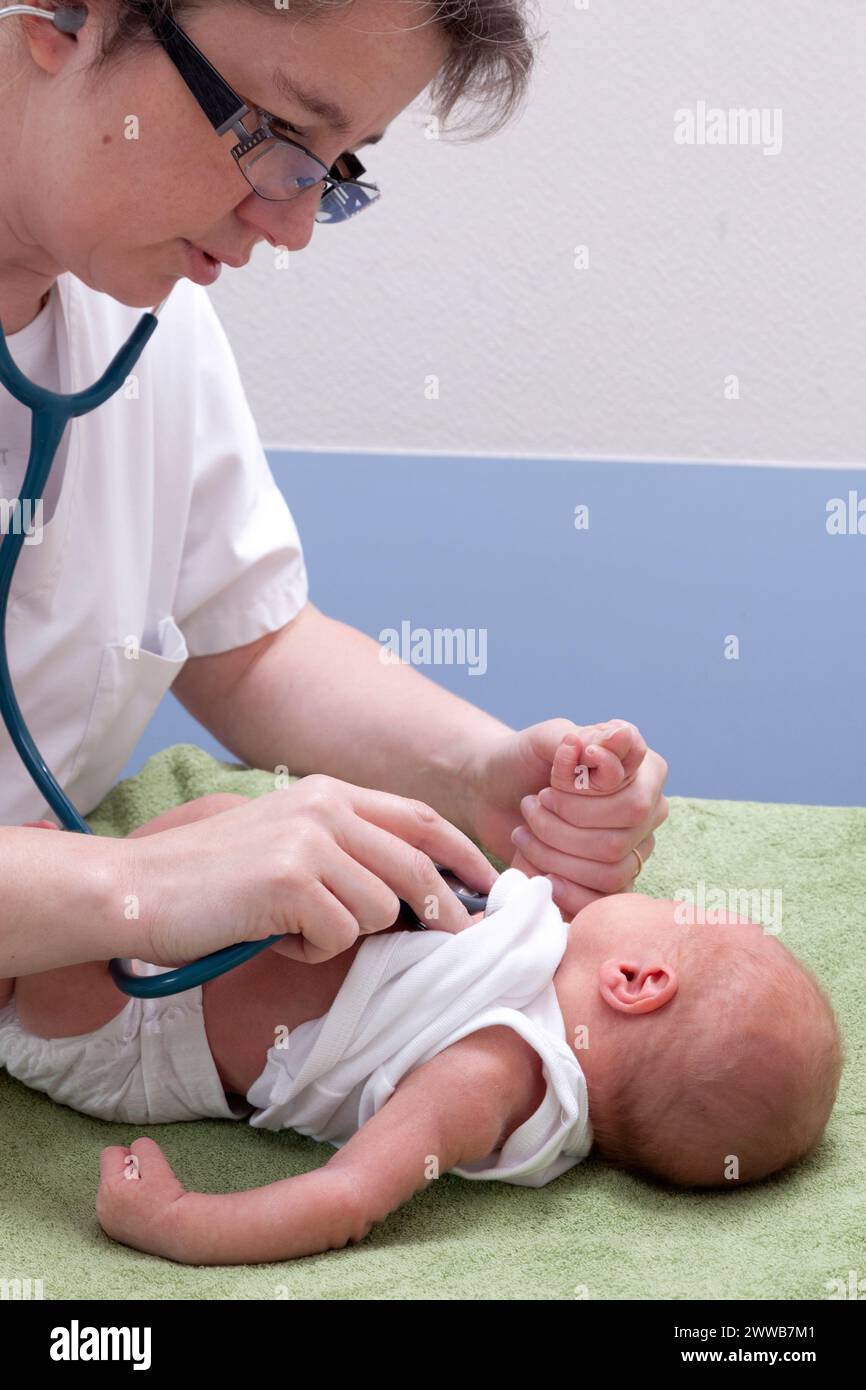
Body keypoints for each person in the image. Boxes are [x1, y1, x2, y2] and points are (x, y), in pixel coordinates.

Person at [0, 0, 668, 979]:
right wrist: (137, 887)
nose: (294, 226)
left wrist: (481, 775)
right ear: (63, 16)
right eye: (277, 134)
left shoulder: (141, 313)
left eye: (338, 166)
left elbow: (250, 647)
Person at [0, 729, 842, 1265]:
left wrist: (175, 1220)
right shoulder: (546, 958)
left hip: (135, 1022)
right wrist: (579, 791)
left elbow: (345, 1200)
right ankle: (50, 898)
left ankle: (33, 936)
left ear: (638, 981)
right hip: (181, 952)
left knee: (67, 946)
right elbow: (544, 879)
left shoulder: (497, 1069)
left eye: (681, 916)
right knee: (224, 814)